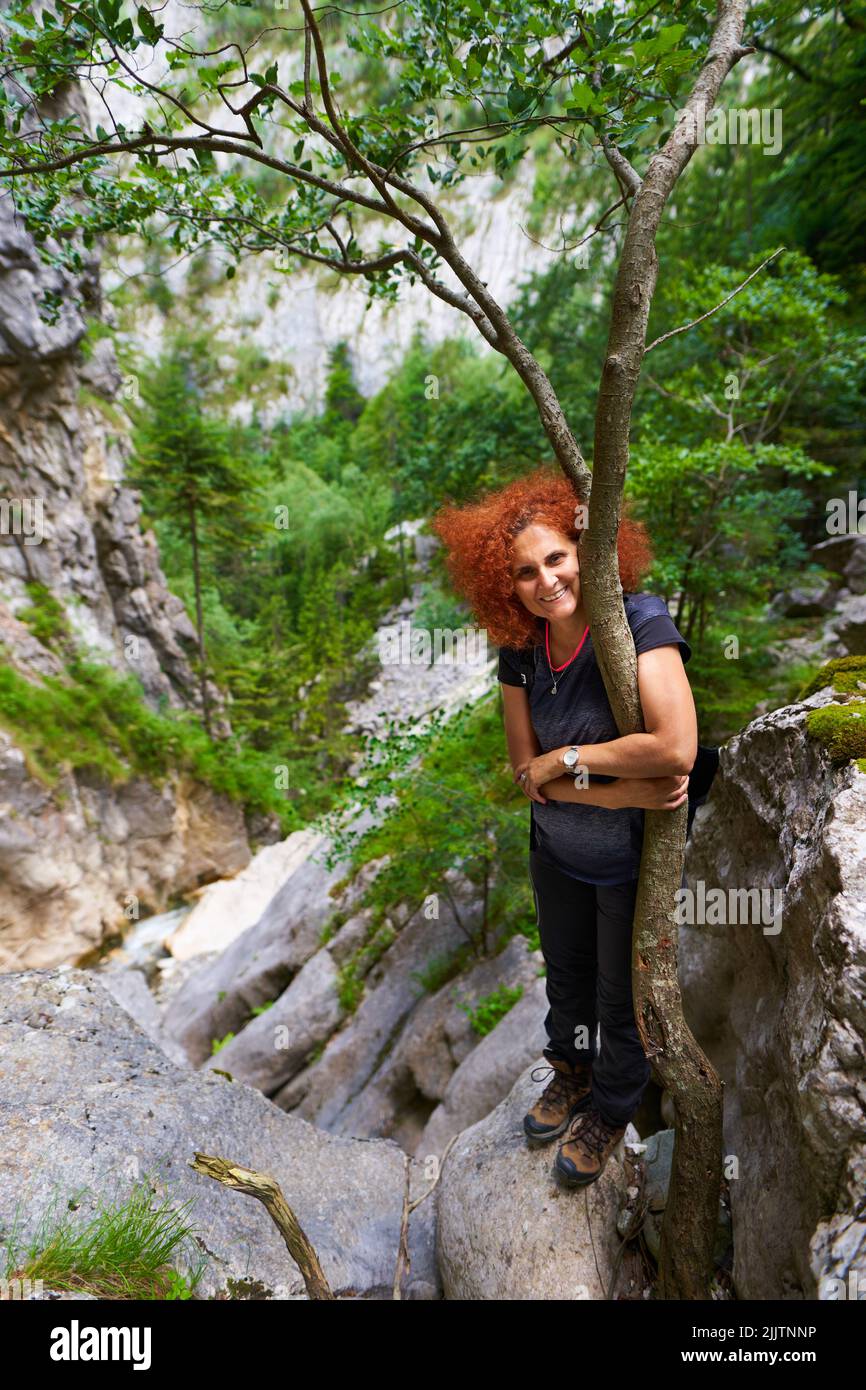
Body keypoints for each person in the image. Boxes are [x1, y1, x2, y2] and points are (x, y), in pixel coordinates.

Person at [432, 467, 698, 1189]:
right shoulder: (521, 653)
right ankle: (570, 1074)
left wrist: (570, 758)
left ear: (587, 551)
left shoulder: (640, 623)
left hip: (626, 868)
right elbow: (527, 775)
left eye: (557, 558)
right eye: (525, 572)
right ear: (505, 586)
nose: (546, 581)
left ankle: (611, 1108)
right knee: (569, 982)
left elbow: (675, 750)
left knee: (621, 996)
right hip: (557, 855)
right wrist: (619, 790)